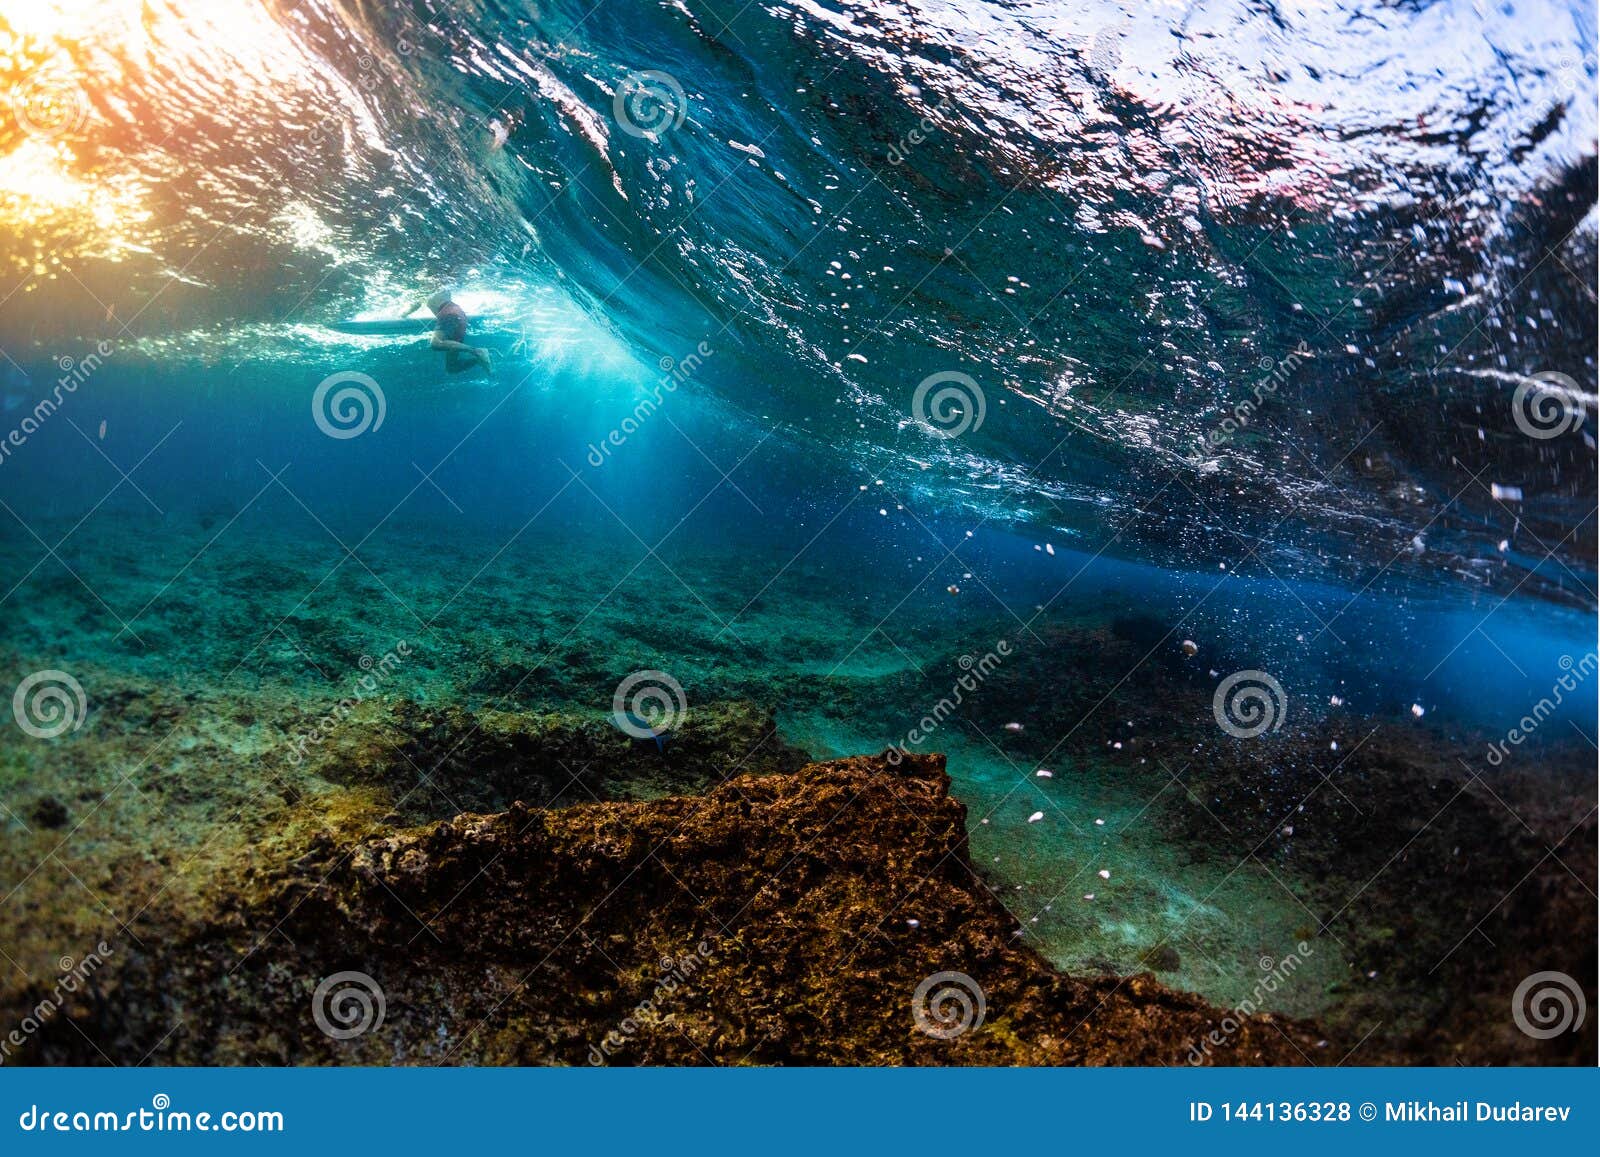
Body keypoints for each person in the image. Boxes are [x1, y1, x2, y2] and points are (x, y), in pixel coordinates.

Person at [404, 289, 492, 373]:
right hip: (459, 314)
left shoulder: (428, 284)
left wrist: (403, 314)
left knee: (435, 343)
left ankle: (477, 351)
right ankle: (479, 359)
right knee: (452, 367)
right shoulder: (441, 286)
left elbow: (416, 304)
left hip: (449, 313)